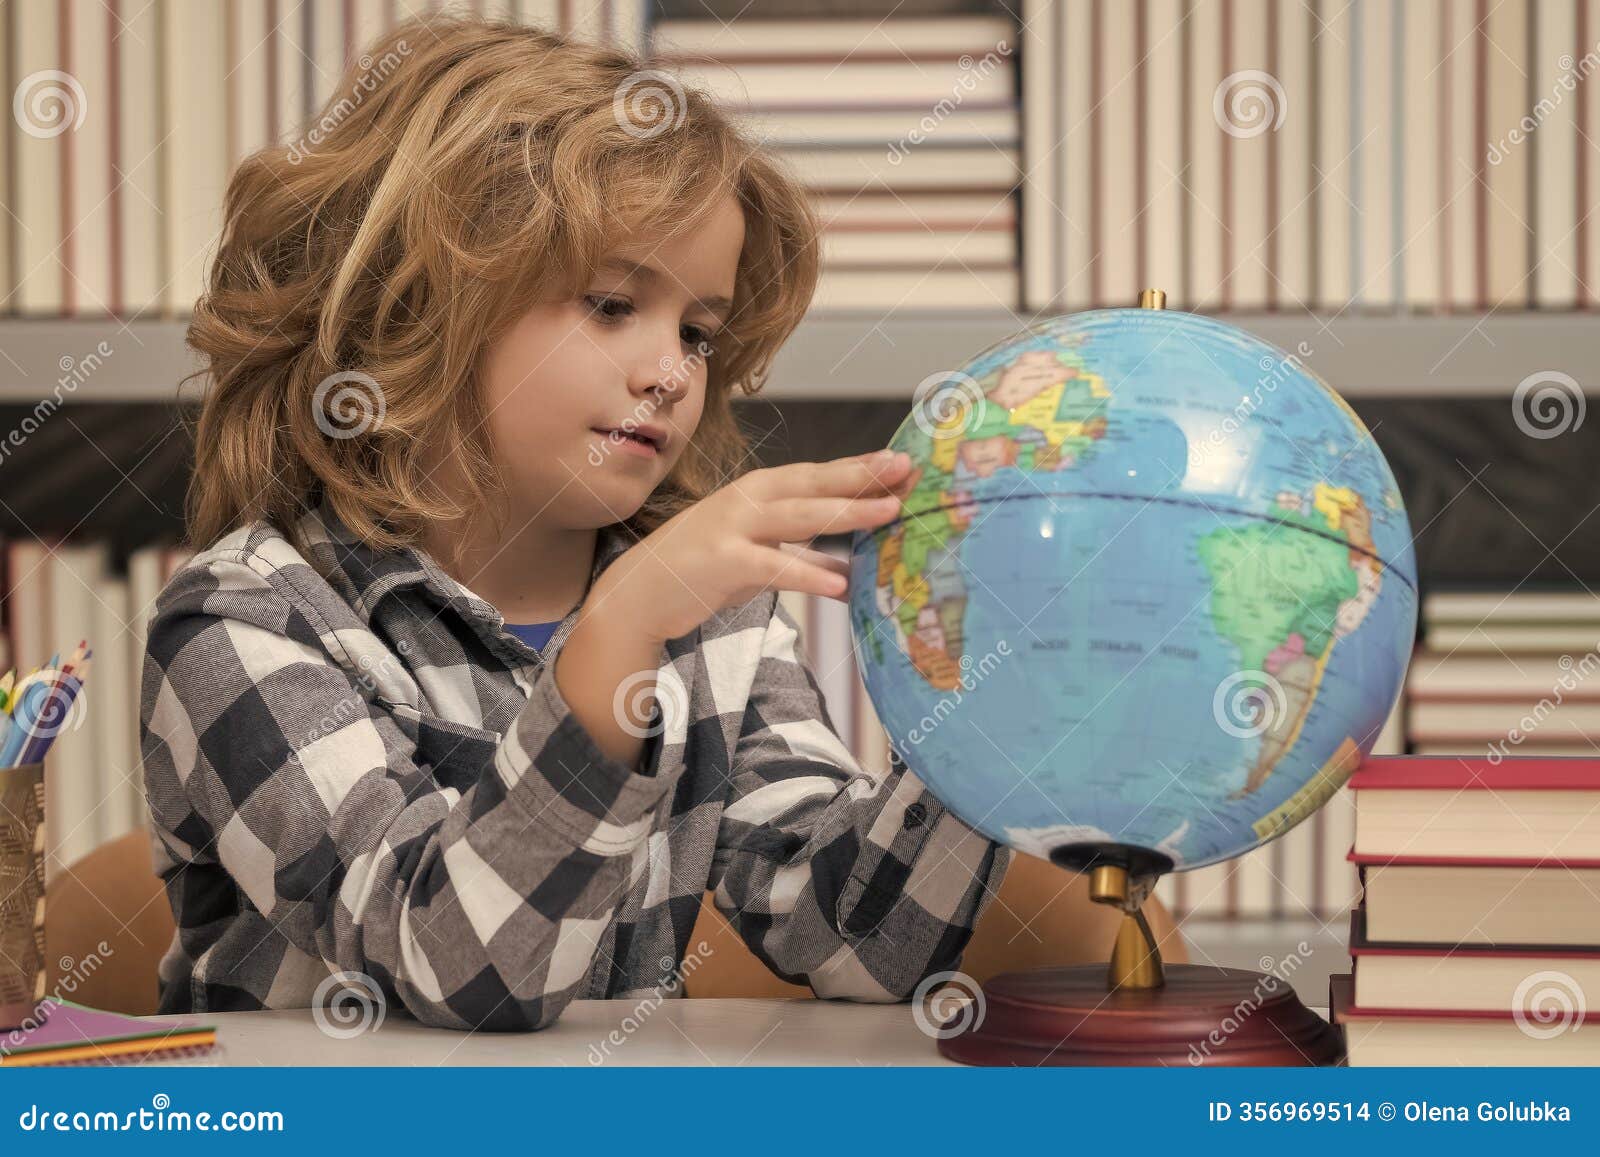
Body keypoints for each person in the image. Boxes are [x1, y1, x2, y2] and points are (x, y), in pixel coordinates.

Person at [139, 14, 1009, 1031]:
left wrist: (995, 692)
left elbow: (852, 938)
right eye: (608, 304)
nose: (671, 370)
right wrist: (616, 638)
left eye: (697, 329)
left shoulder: (711, 621)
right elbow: (449, 961)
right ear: (416, 304)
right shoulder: (241, 619)